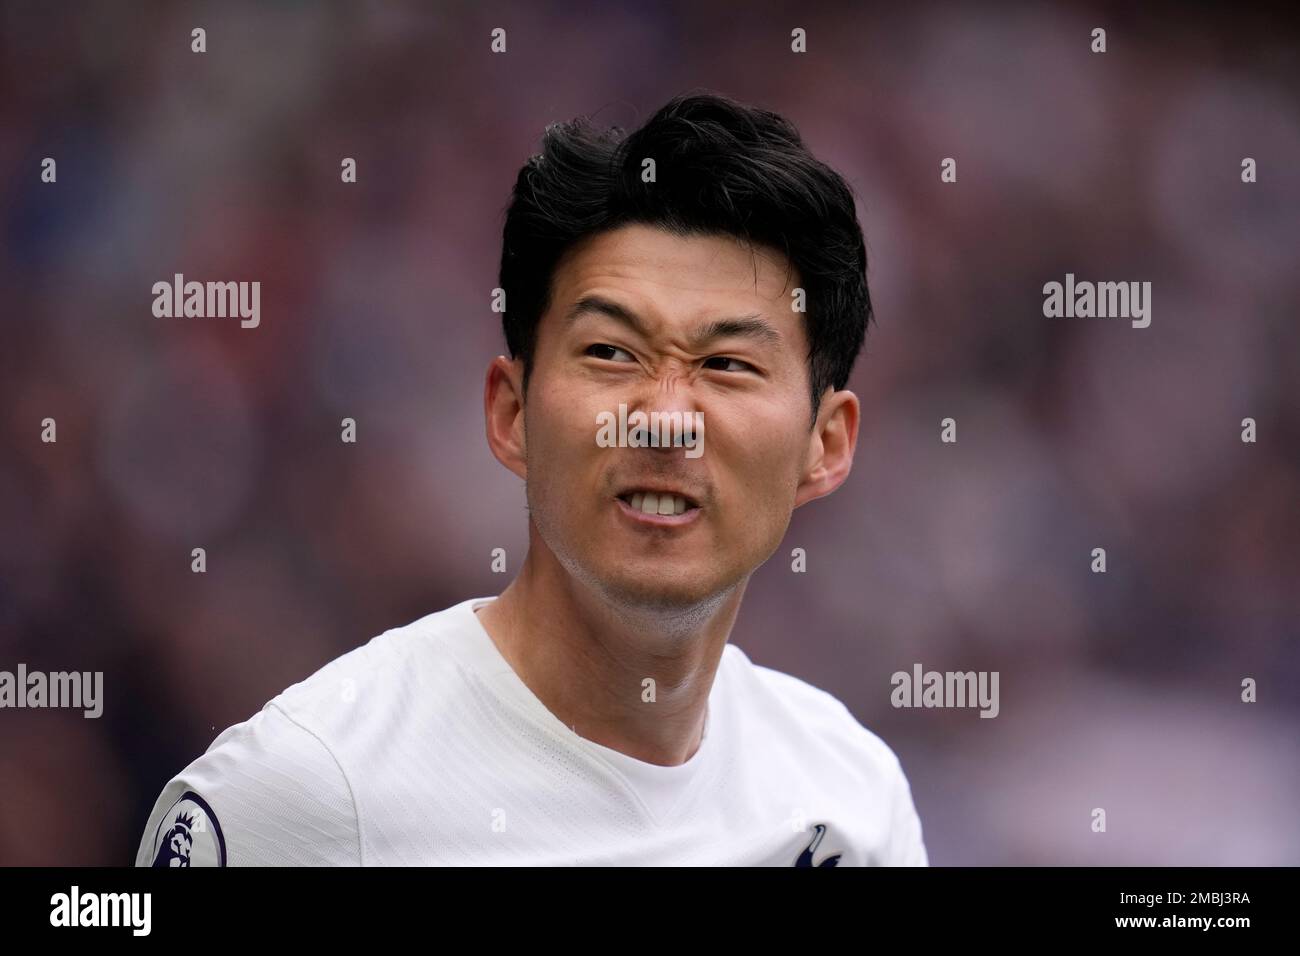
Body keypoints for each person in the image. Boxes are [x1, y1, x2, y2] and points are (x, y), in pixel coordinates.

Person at [136, 90, 928, 866]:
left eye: (727, 365)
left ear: (825, 444)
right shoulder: (312, 793)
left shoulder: (851, 799)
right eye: (612, 353)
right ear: (511, 413)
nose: (662, 418)